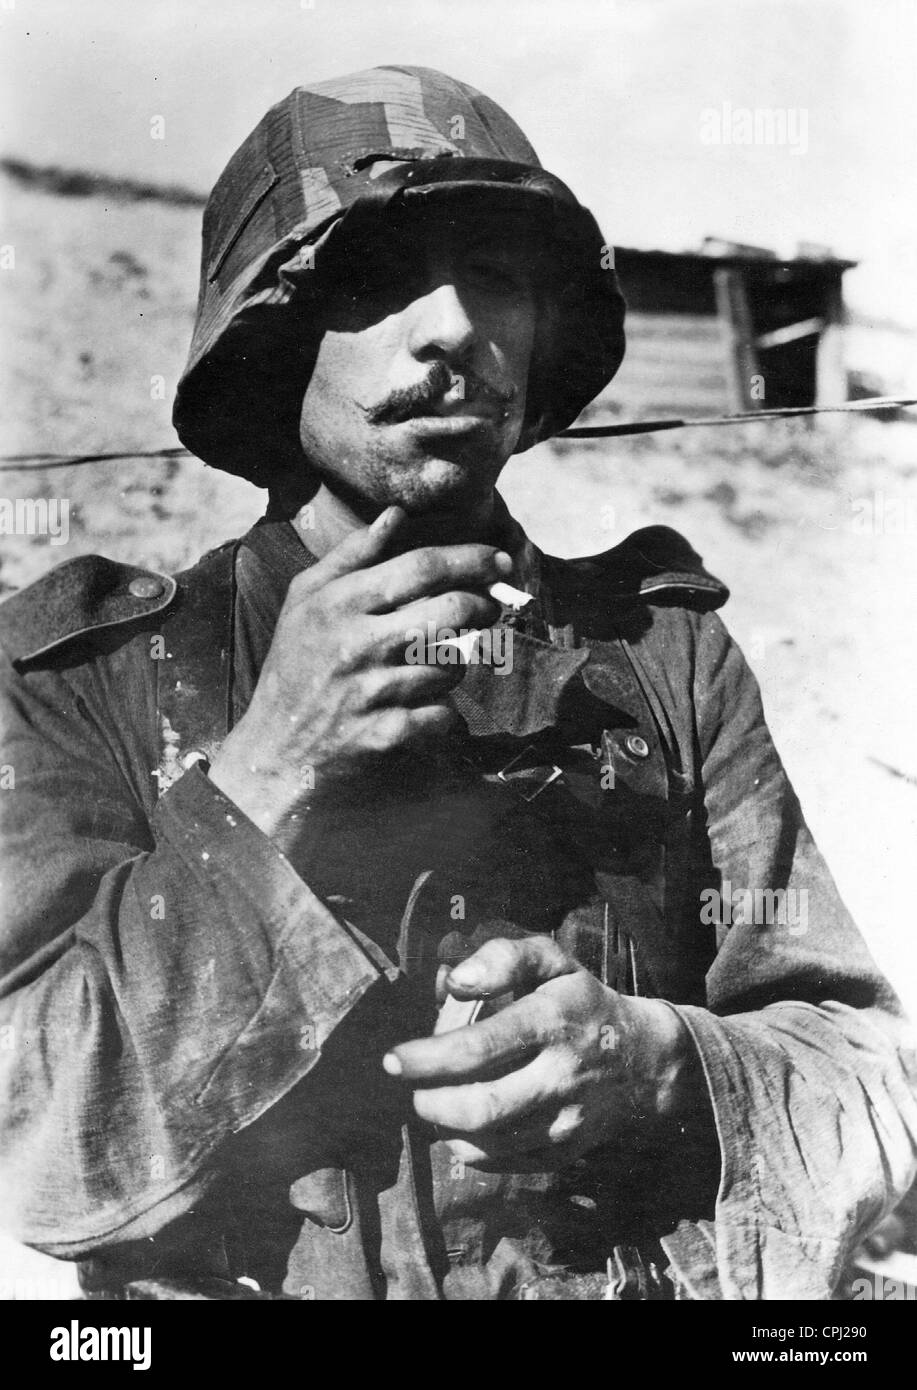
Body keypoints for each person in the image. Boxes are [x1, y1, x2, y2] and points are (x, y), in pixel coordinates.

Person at [0, 64, 914, 1301]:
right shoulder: (90, 680)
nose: (450, 328)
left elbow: (864, 1072)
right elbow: (36, 1156)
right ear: (272, 332)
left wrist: (659, 1065)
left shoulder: (662, 662)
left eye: (495, 276)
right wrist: (263, 781)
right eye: (378, 279)